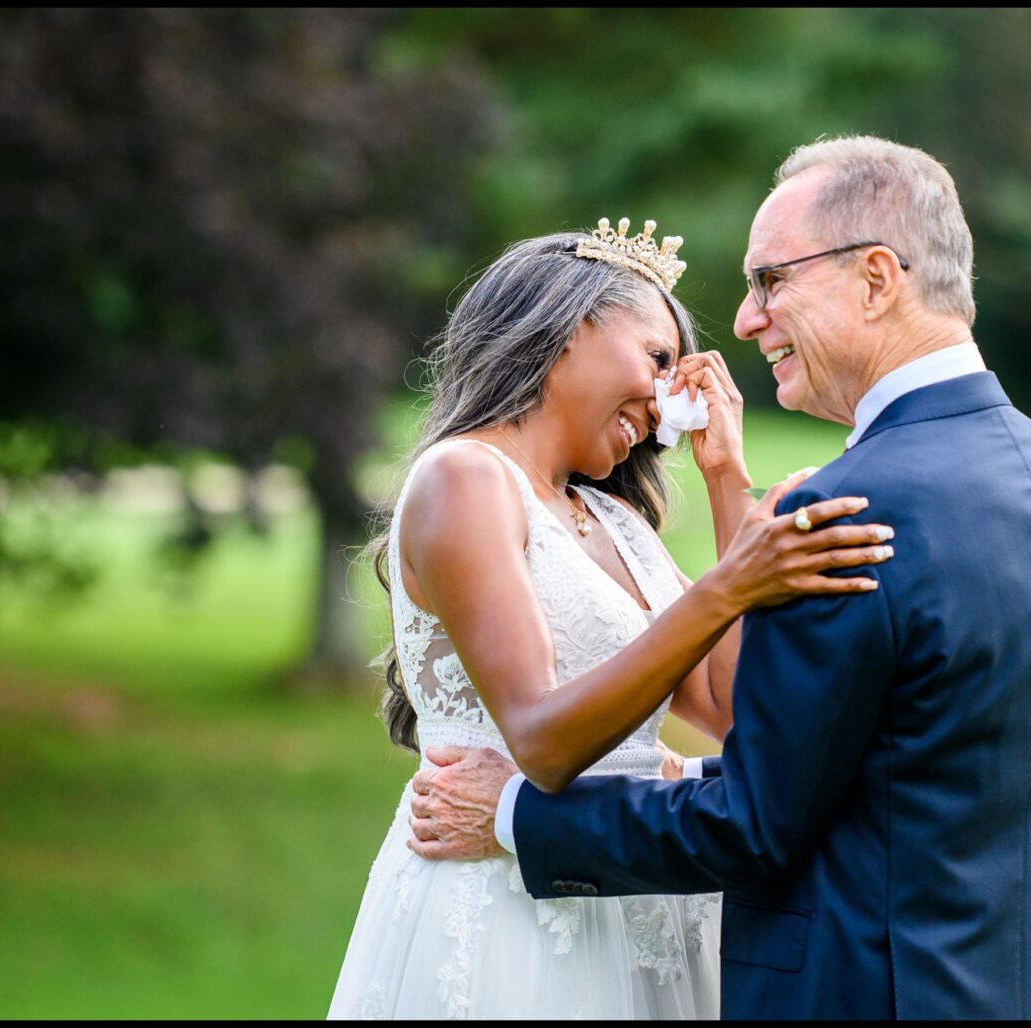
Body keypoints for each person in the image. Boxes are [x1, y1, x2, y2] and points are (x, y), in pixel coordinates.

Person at [407, 135, 1031, 1019]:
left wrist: (514, 819)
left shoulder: (851, 508)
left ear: (878, 277)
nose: (743, 322)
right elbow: (868, 760)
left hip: (855, 991)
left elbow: (757, 817)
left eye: (771, 280)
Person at [325, 219, 897, 1019]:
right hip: (510, 922)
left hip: (636, 902)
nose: (667, 396)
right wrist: (725, 589)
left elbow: (735, 712)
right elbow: (543, 742)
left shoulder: (613, 520)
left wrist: (726, 473)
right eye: (657, 359)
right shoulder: (463, 479)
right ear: (569, 327)